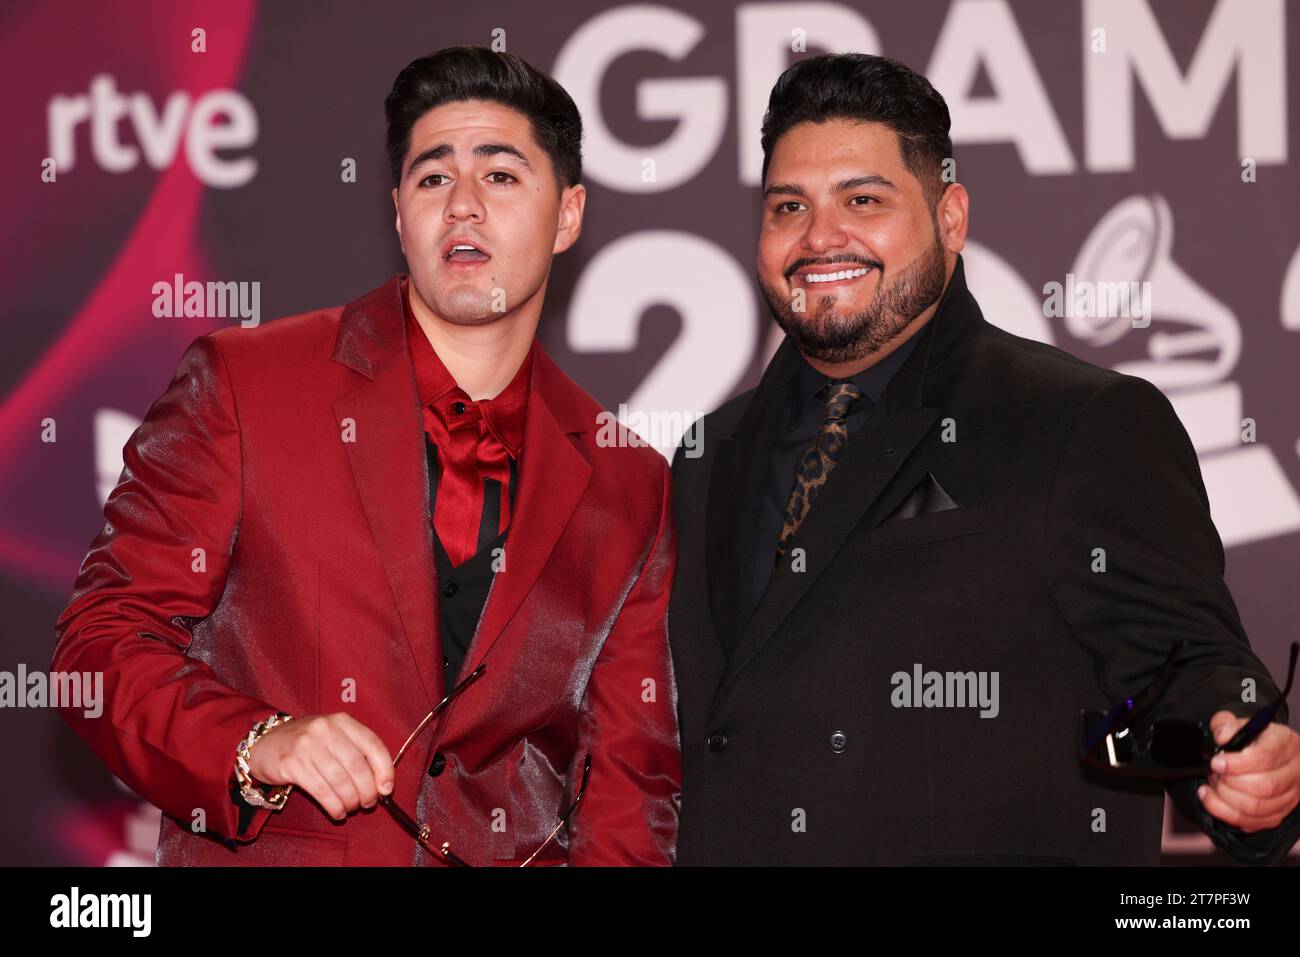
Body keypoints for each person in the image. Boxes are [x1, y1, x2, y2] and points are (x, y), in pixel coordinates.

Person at [52, 47, 680, 866]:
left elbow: (629, 787)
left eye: (500, 176)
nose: (462, 205)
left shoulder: (628, 479)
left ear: (568, 215)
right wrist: (256, 742)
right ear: (398, 214)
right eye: (432, 177)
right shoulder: (246, 384)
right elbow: (98, 645)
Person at [668, 53, 1300, 866]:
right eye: (789, 206)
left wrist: (1239, 746)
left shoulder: (1080, 422)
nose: (820, 236)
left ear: (951, 217)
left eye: (863, 199)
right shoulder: (706, 452)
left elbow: (1183, 662)